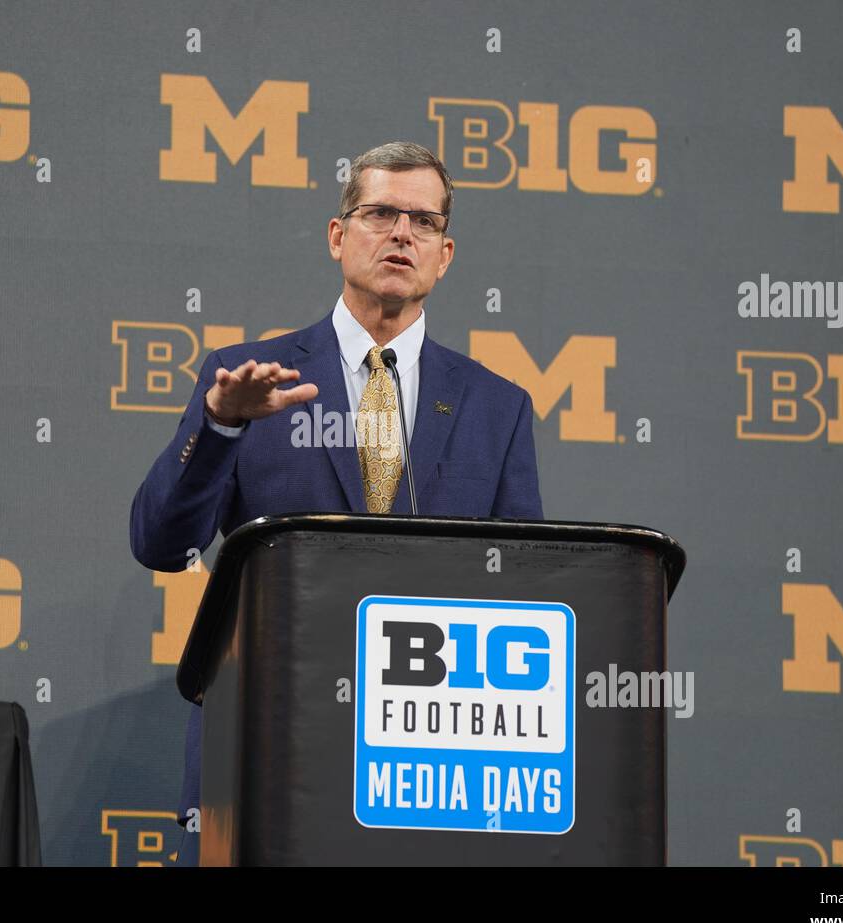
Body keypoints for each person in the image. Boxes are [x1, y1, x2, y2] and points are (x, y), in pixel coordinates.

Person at [130, 141, 543, 865]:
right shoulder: (248, 378)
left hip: (436, 772)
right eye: (380, 212)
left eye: (422, 220)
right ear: (337, 235)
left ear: (445, 254)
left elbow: (524, 596)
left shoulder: (497, 408)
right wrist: (222, 424)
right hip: (270, 748)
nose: (401, 233)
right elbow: (162, 544)